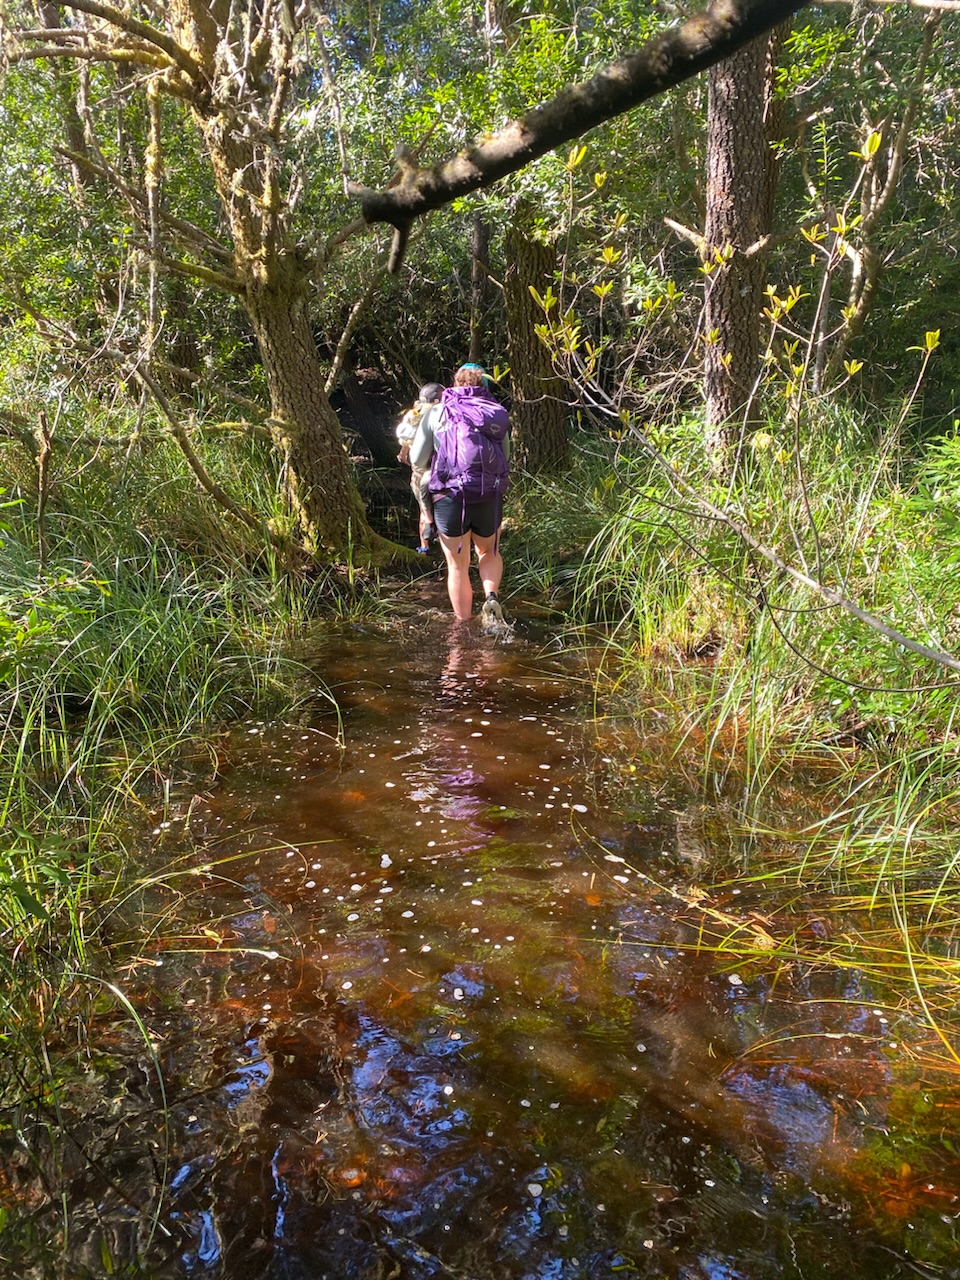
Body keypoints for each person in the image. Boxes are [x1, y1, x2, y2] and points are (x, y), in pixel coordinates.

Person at [410, 365, 509, 624]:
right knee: (489, 552)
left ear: (454, 384)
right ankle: (491, 597)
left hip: (450, 497)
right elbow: (505, 459)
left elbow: (417, 459)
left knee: (457, 565)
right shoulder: (496, 413)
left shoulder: (437, 413)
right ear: (484, 386)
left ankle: (463, 628)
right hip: (488, 494)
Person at [396, 383, 442, 553]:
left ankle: (424, 547)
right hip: (441, 468)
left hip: (419, 468)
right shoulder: (443, 412)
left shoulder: (413, 414)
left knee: (424, 507)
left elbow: (405, 440)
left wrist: (403, 454)